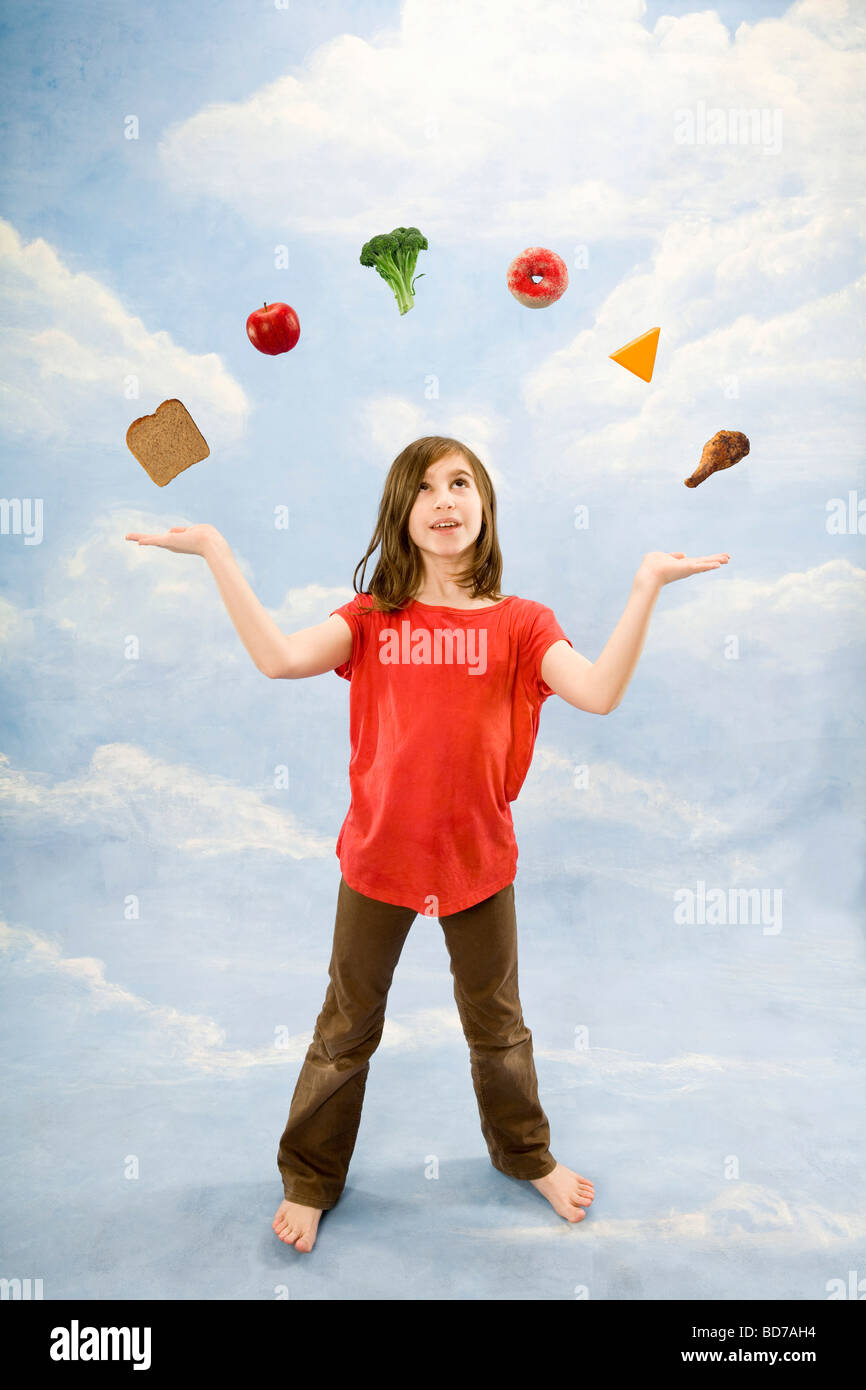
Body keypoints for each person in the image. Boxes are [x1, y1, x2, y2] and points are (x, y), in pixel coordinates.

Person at [125, 434, 729, 1255]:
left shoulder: (522, 624)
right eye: (425, 489)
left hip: (479, 867)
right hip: (378, 862)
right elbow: (277, 659)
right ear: (401, 515)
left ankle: (526, 1156)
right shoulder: (372, 620)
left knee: (500, 1028)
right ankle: (310, 1176)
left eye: (461, 484)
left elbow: (598, 692)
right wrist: (215, 553)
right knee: (344, 1028)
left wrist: (646, 586)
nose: (445, 501)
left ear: (484, 505)